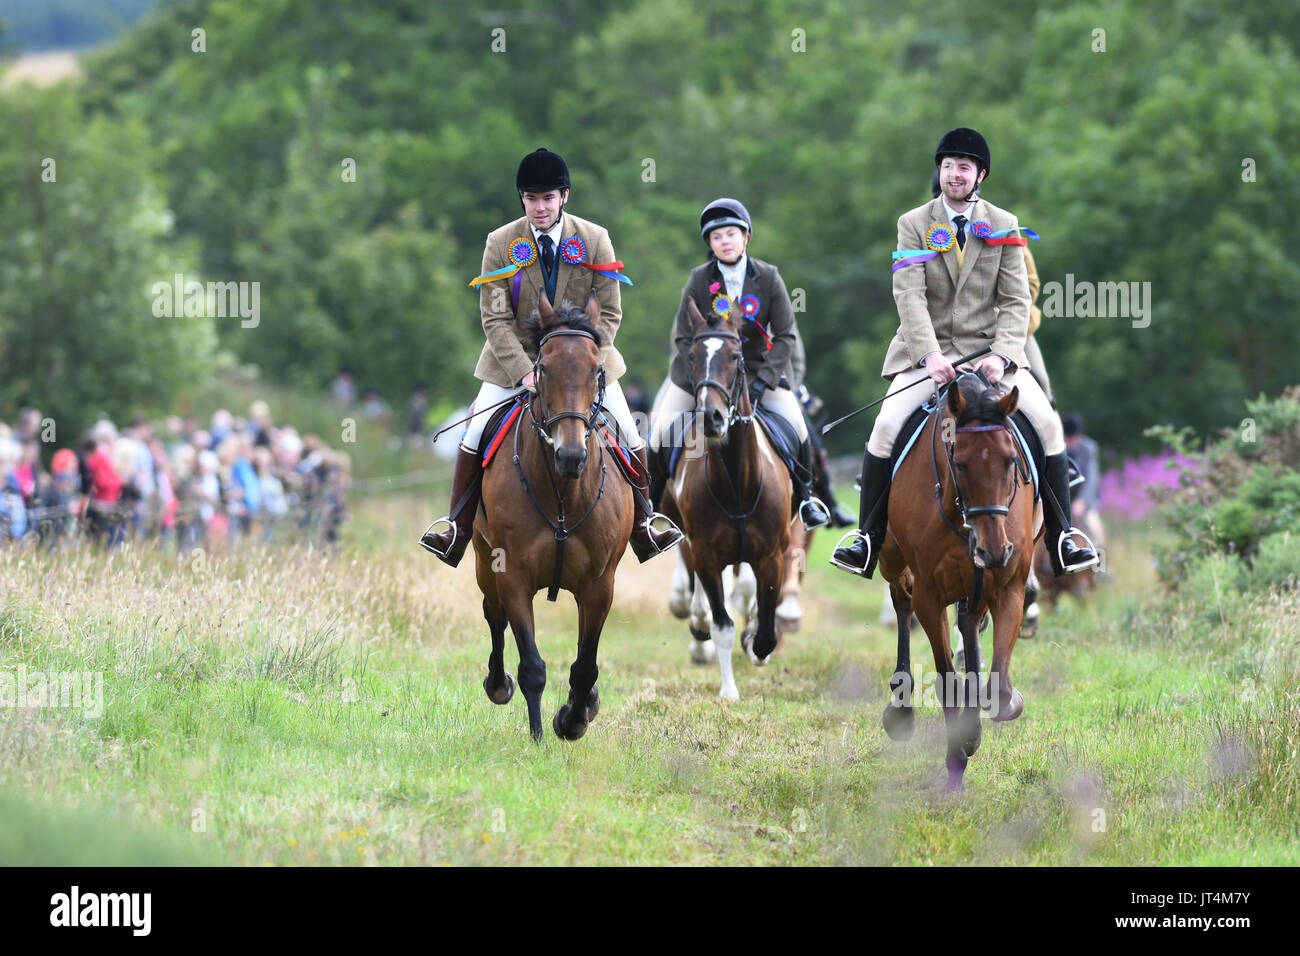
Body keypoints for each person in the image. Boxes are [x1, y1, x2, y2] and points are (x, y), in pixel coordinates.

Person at [832, 128, 1098, 578]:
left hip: (990, 354)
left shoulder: (1004, 224)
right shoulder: (913, 222)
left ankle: (1063, 537)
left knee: (1050, 426)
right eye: (948, 166)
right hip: (928, 356)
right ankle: (867, 539)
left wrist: (1003, 354)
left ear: (981, 175)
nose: (955, 174)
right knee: (885, 428)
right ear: (940, 170)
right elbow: (909, 295)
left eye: (964, 167)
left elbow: (1017, 301)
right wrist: (929, 356)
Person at [420, 147, 682, 566]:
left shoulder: (594, 238)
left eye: (547, 198)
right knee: (473, 432)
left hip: (582, 364)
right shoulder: (501, 243)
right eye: (530, 198)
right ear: (522, 199)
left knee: (631, 433)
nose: (538, 207)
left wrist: (589, 358)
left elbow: (610, 310)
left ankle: (645, 525)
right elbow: (494, 316)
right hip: (513, 365)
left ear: (564, 197)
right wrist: (525, 372)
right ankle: (458, 529)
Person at [646, 197, 830, 530]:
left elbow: (786, 335)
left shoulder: (769, 277)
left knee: (797, 424)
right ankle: (652, 507)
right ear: (710, 244)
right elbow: (683, 337)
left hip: (760, 373)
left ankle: (805, 498)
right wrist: (701, 380)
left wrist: (764, 381)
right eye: (717, 237)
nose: (724, 241)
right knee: (660, 429)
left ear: (746, 237)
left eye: (731, 234)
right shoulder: (699, 279)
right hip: (706, 375)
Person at [1063, 413, 1106, 553]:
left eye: (1072, 438)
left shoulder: (1089, 448)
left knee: (1095, 530)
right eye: (1067, 438)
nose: (1069, 442)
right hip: (1063, 503)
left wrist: (1081, 501)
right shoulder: (1059, 448)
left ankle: (1101, 569)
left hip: (1085, 504)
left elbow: (1091, 478)